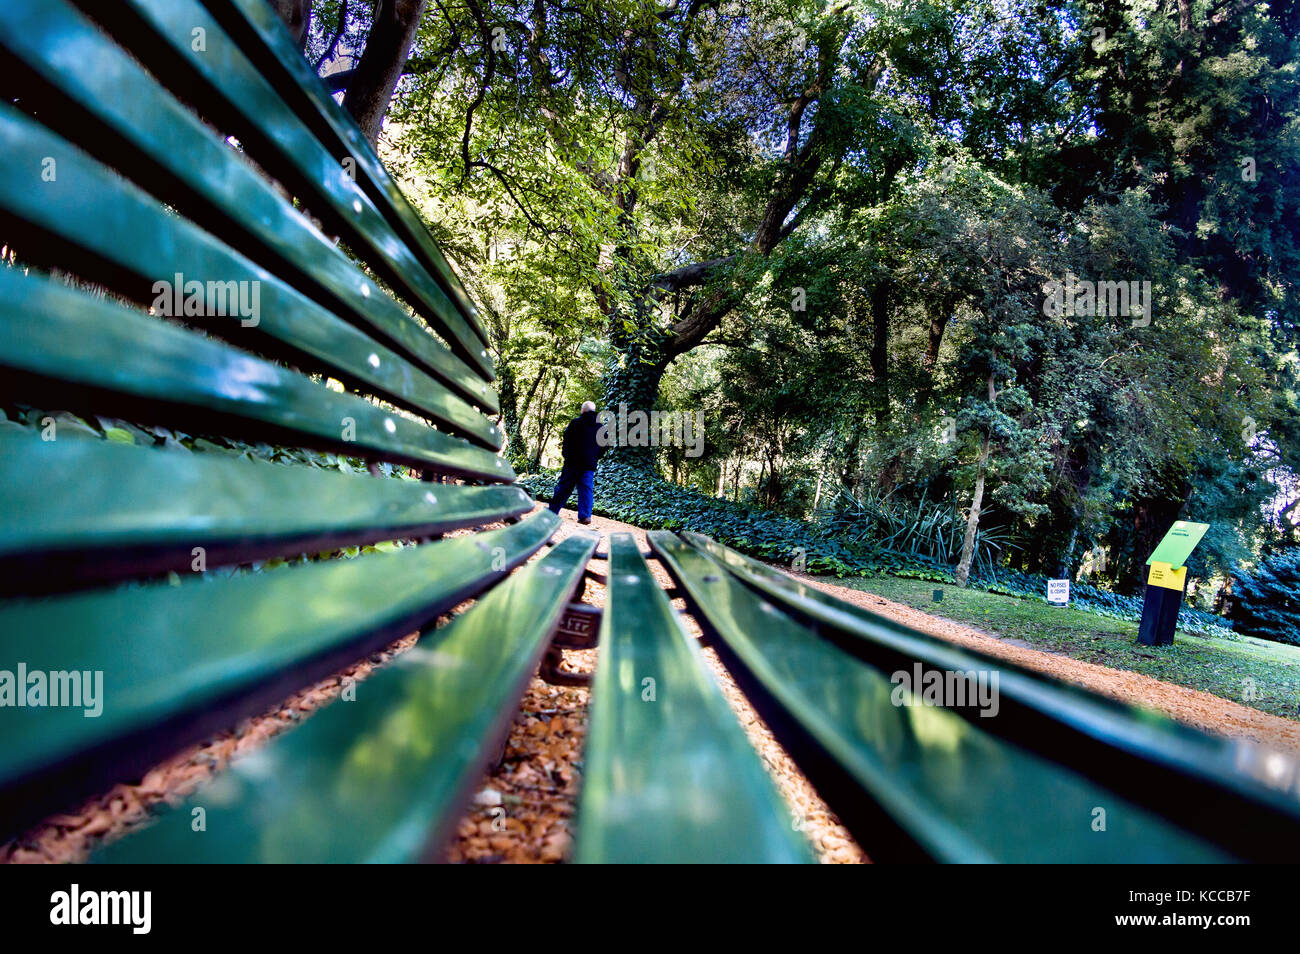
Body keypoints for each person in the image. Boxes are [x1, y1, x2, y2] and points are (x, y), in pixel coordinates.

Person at [548, 401, 602, 524]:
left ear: (583, 410)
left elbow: (566, 440)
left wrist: (566, 455)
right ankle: (585, 516)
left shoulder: (575, 423)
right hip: (589, 464)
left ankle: (552, 512)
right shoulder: (601, 427)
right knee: (586, 489)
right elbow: (605, 445)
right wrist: (595, 457)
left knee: (564, 487)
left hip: (572, 463)